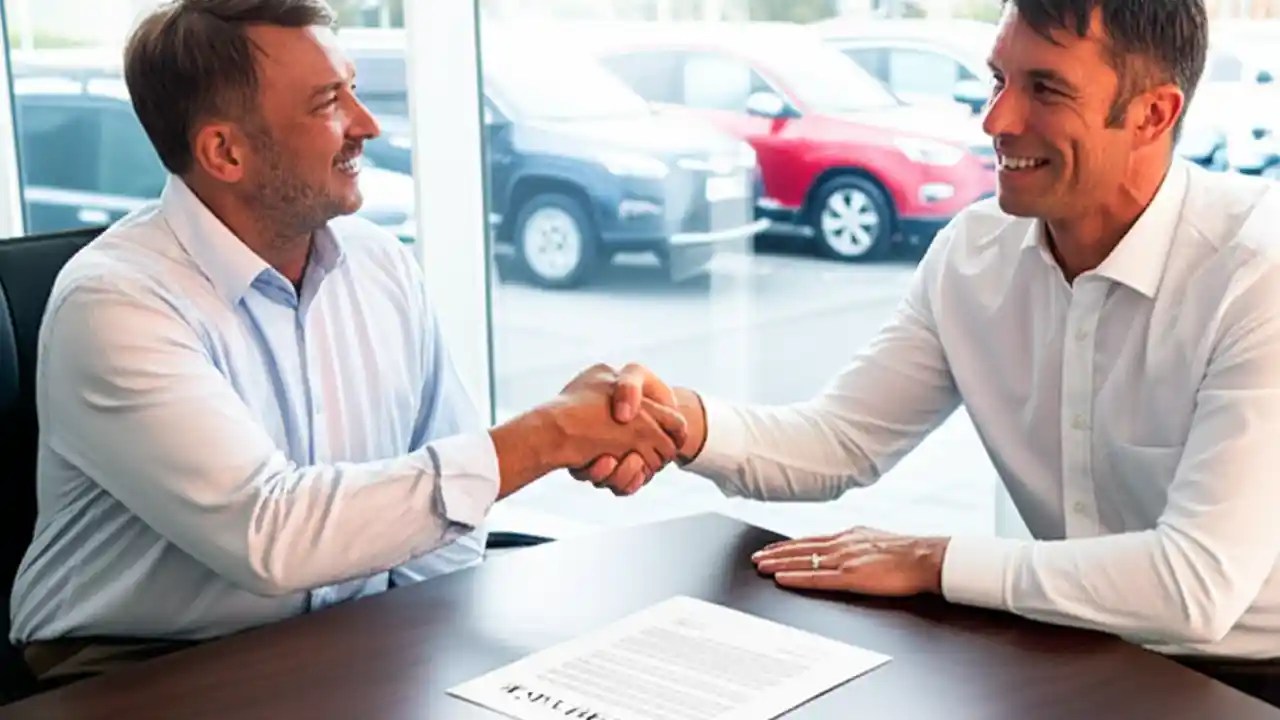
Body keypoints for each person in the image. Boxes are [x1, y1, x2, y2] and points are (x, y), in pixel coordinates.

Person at [582, 0, 1280, 707]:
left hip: (1251, 675)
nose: (997, 121)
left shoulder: (1258, 271)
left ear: (1152, 115)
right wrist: (679, 422)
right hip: (1075, 645)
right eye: (997, 80)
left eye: (1045, 89)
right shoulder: (974, 254)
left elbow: (1194, 585)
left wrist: (932, 561)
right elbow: (839, 441)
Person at [7, 0, 684, 686]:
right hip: (137, 669)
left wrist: (438, 669)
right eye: (329, 103)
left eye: (353, 88)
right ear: (224, 151)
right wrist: (544, 437)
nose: (367, 124)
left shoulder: (379, 263)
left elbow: (443, 522)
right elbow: (270, 533)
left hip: (345, 639)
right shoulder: (115, 302)